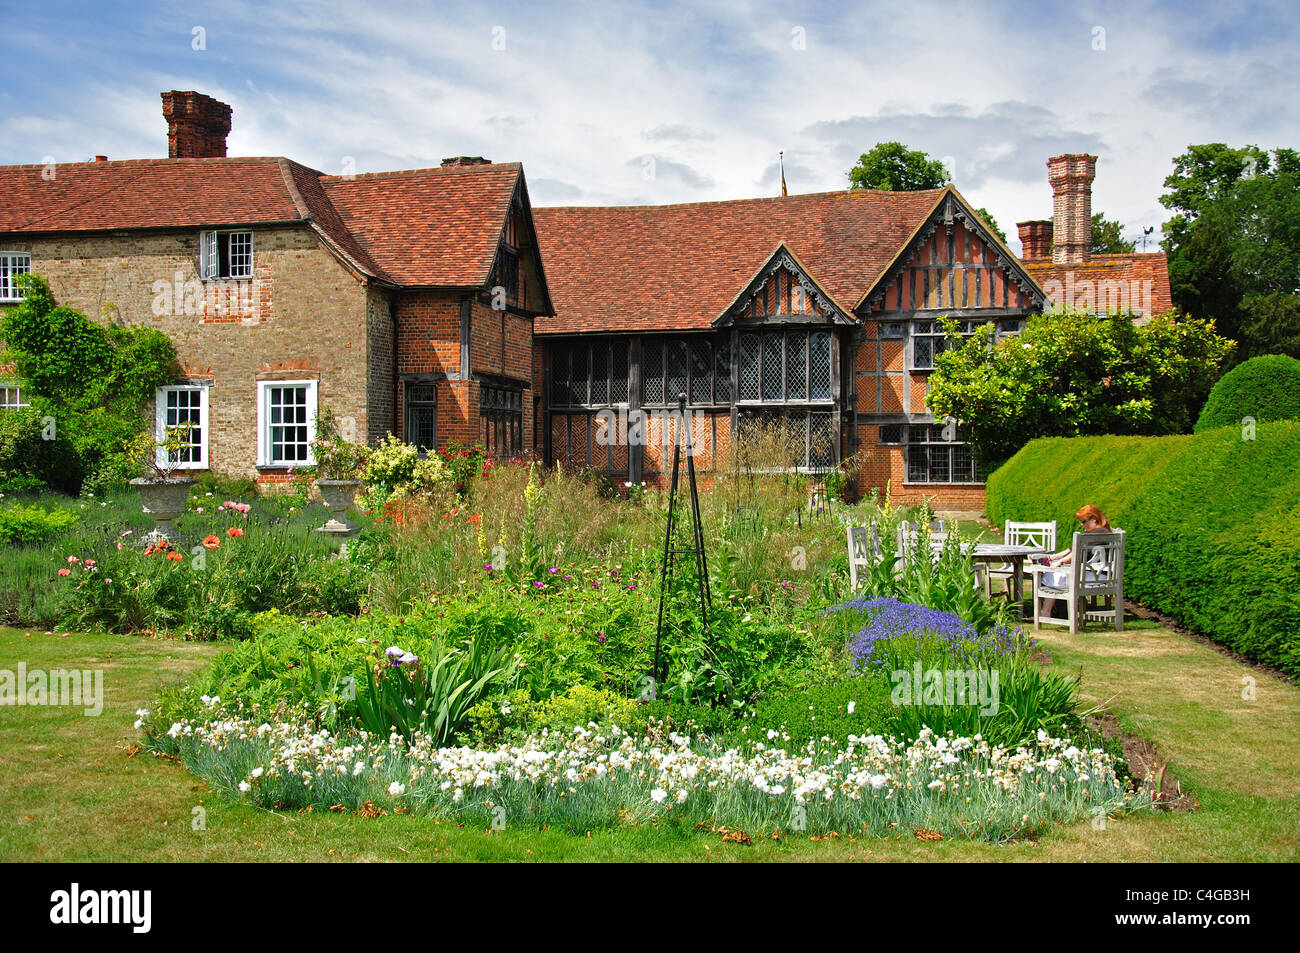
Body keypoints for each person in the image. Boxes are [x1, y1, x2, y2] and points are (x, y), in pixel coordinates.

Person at [1039, 505, 1112, 618]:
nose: (1081, 524)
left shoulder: (1098, 533)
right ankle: (1052, 612)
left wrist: (1060, 562)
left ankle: (1047, 613)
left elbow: (1076, 552)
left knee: (1054, 575)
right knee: (1054, 574)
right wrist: (1052, 558)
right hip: (1095, 574)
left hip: (1096, 576)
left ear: (1094, 520)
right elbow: (1071, 550)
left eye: (1083, 521)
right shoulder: (1099, 532)